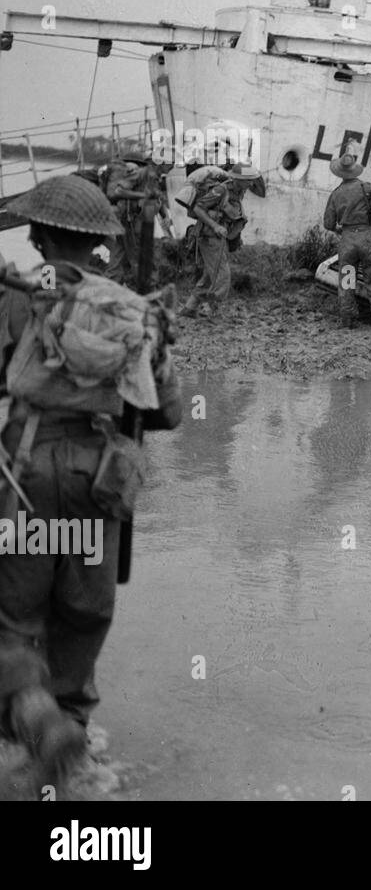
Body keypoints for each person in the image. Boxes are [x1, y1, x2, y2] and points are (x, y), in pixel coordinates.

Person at [0, 175, 183, 786]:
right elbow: (168, 413)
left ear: (41, 236)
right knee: (80, 615)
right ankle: (73, 753)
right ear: (97, 244)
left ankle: (33, 720)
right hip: (98, 486)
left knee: (12, 620)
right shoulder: (130, 310)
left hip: (25, 481)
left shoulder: (19, 299)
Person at [322, 149, 371, 329]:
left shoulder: (335, 194)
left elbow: (327, 223)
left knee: (347, 280)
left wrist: (339, 230)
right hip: (366, 237)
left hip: (347, 240)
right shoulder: (366, 188)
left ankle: (348, 318)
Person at [180, 167, 237, 319]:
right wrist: (216, 225)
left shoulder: (233, 193)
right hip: (210, 236)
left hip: (216, 236)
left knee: (208, 275)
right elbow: (199, 208)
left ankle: (190, 307)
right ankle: (209, 308)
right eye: (249, 181)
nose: (250, 184)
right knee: (222, 275)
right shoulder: (220, 190)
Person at [102, 146, 155, 286]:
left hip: (119, 221)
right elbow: (120, 193)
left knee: (117, 256)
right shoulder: (134, 171)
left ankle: (108, 292)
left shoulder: (118, 172)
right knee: (136, 258)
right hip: (130, 222)